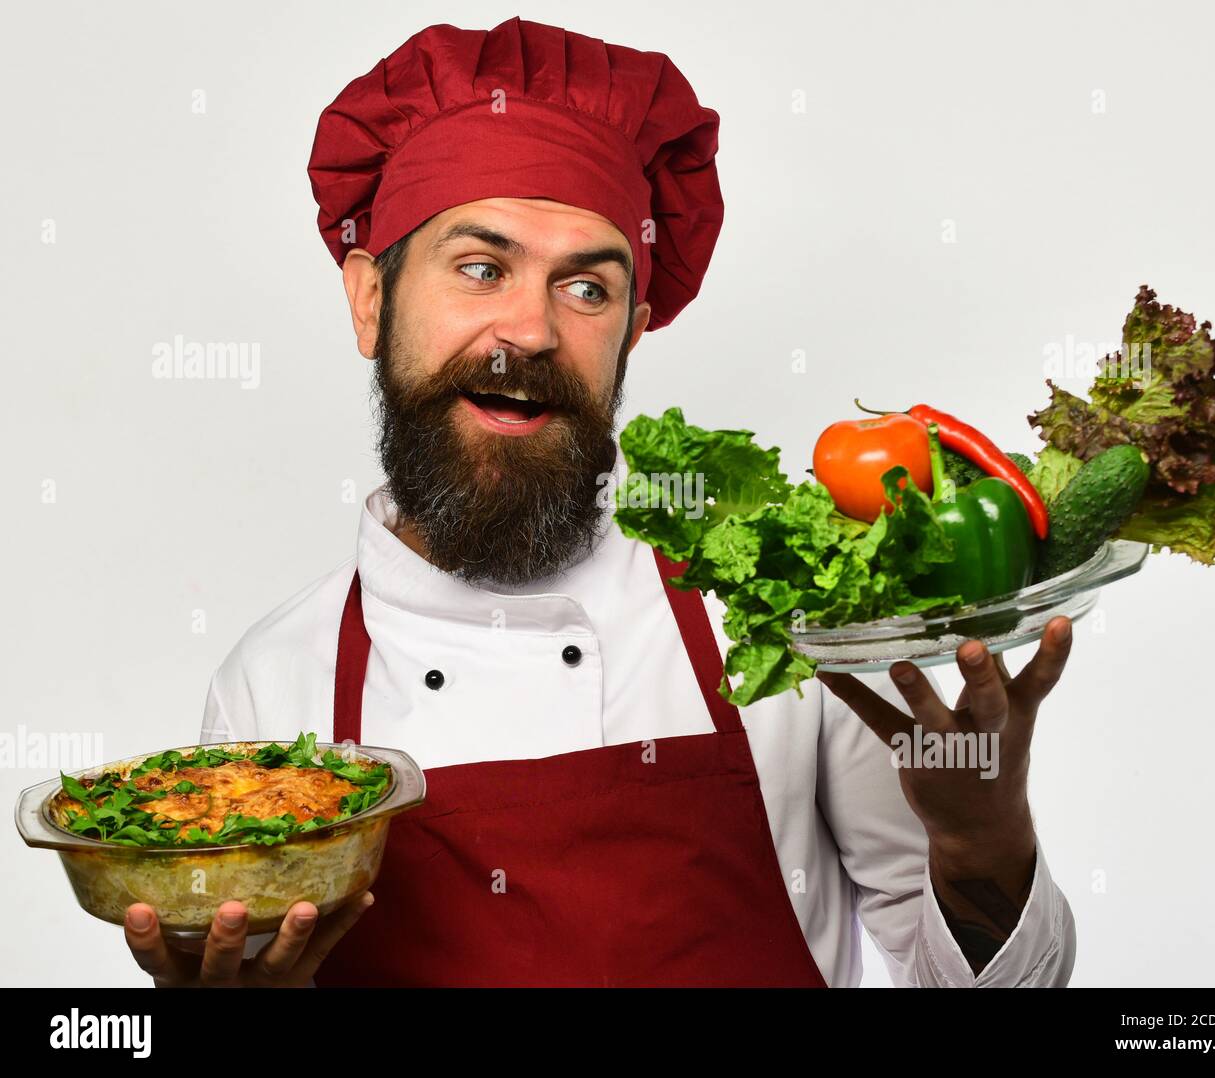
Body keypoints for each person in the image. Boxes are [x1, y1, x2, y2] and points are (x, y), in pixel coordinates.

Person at [123, 16, 1076, 988]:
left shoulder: (774, 619)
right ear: (371, 300)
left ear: (632, 330)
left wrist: (981, 846)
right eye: (481, 268)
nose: (530, 330)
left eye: (586, 288)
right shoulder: (273, 684)